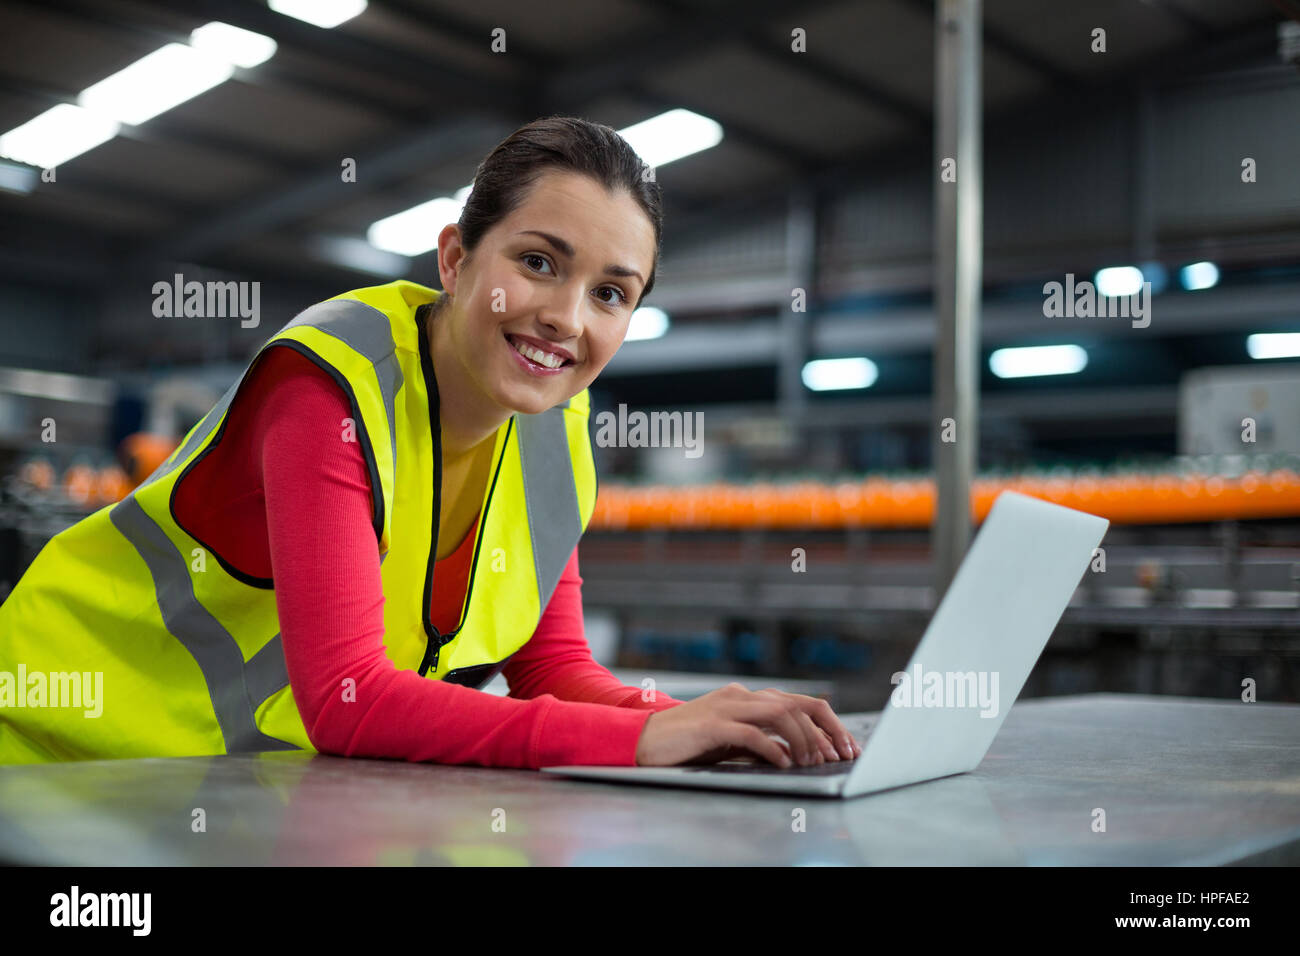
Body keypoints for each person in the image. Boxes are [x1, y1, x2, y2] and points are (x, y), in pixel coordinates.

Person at [0, 116, 860, 770]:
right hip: (52, 753)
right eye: (538, 262)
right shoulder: (332, 384)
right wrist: (641, 741)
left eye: (610, 293)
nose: (566, 317)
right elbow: (347, 699)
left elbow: (553, 667)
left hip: (202, 790)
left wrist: (700, 721)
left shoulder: (554, 437)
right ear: (454, 259)